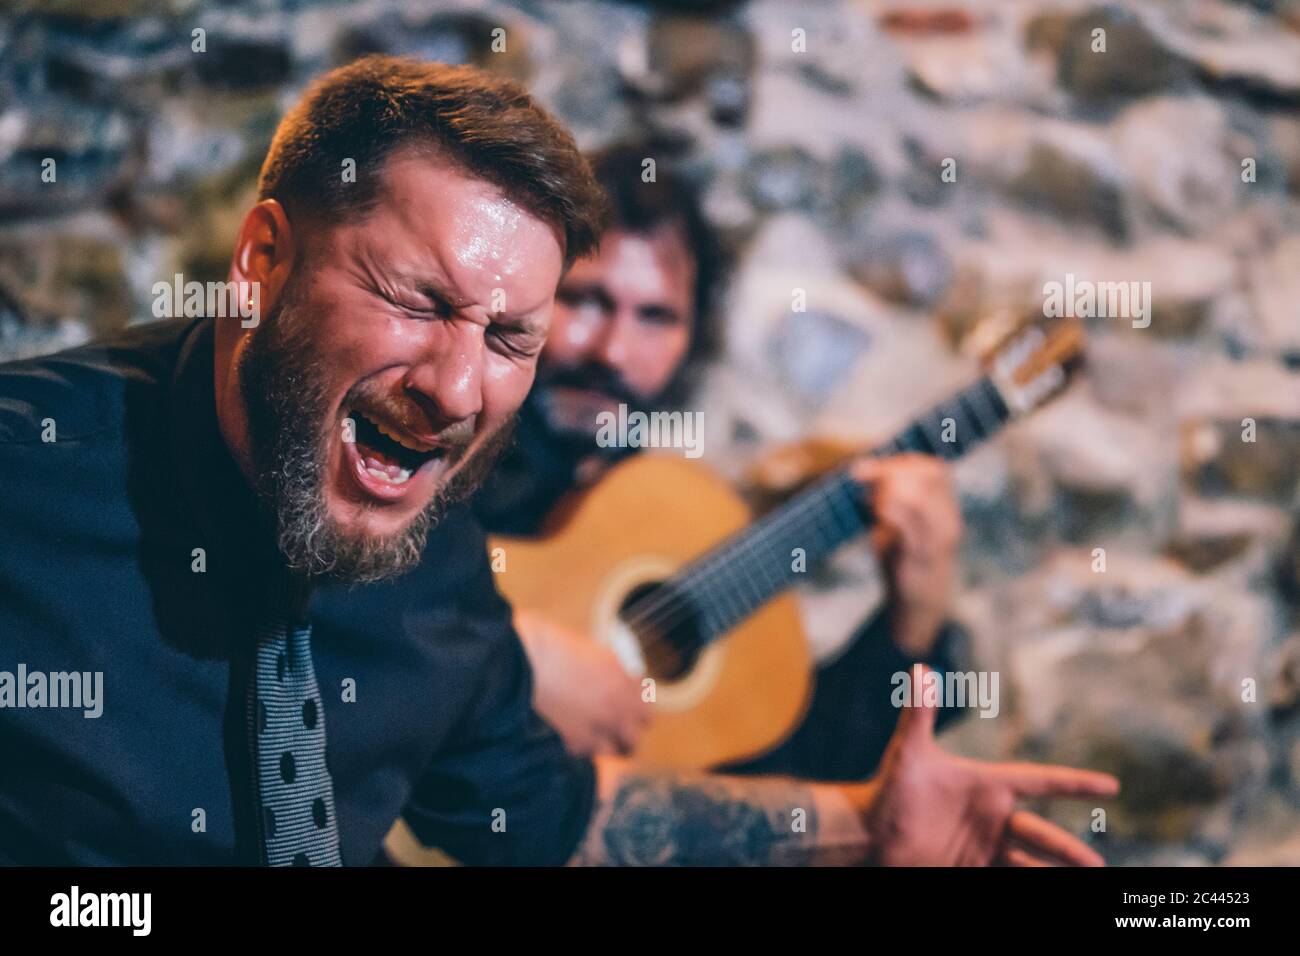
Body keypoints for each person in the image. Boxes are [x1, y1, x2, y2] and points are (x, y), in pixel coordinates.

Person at [0, 55, 1115, 867]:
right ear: (261, 259)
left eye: (509, 338)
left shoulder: (430, 534)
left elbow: (544, 808)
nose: (456, 386)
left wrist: (860, 824)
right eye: (416, 300)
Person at [479, 146, 969, 778]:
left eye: (655, 316)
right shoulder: (436, 466)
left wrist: (911, 624)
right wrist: (521, 659)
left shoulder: (666, 514)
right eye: (585, 299)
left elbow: (790, 779)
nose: (613, 350)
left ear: (693, 337)